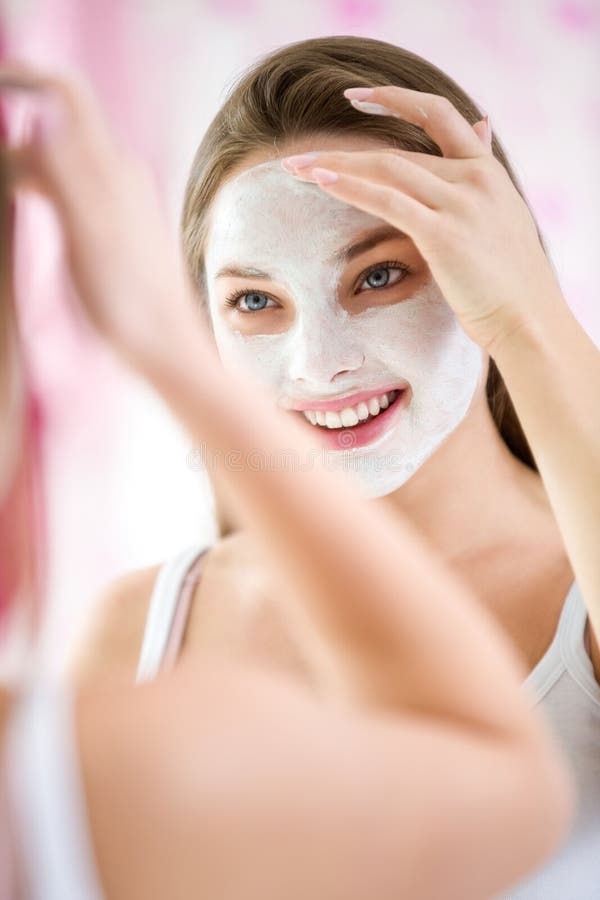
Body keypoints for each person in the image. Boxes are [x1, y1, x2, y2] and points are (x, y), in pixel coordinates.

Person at [0, 62, 573, 899]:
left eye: (379, 274)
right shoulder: (140, 629)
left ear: (496, 258)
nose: (320, 365)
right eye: (255, 302)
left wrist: (534, 317)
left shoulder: (582, 583)